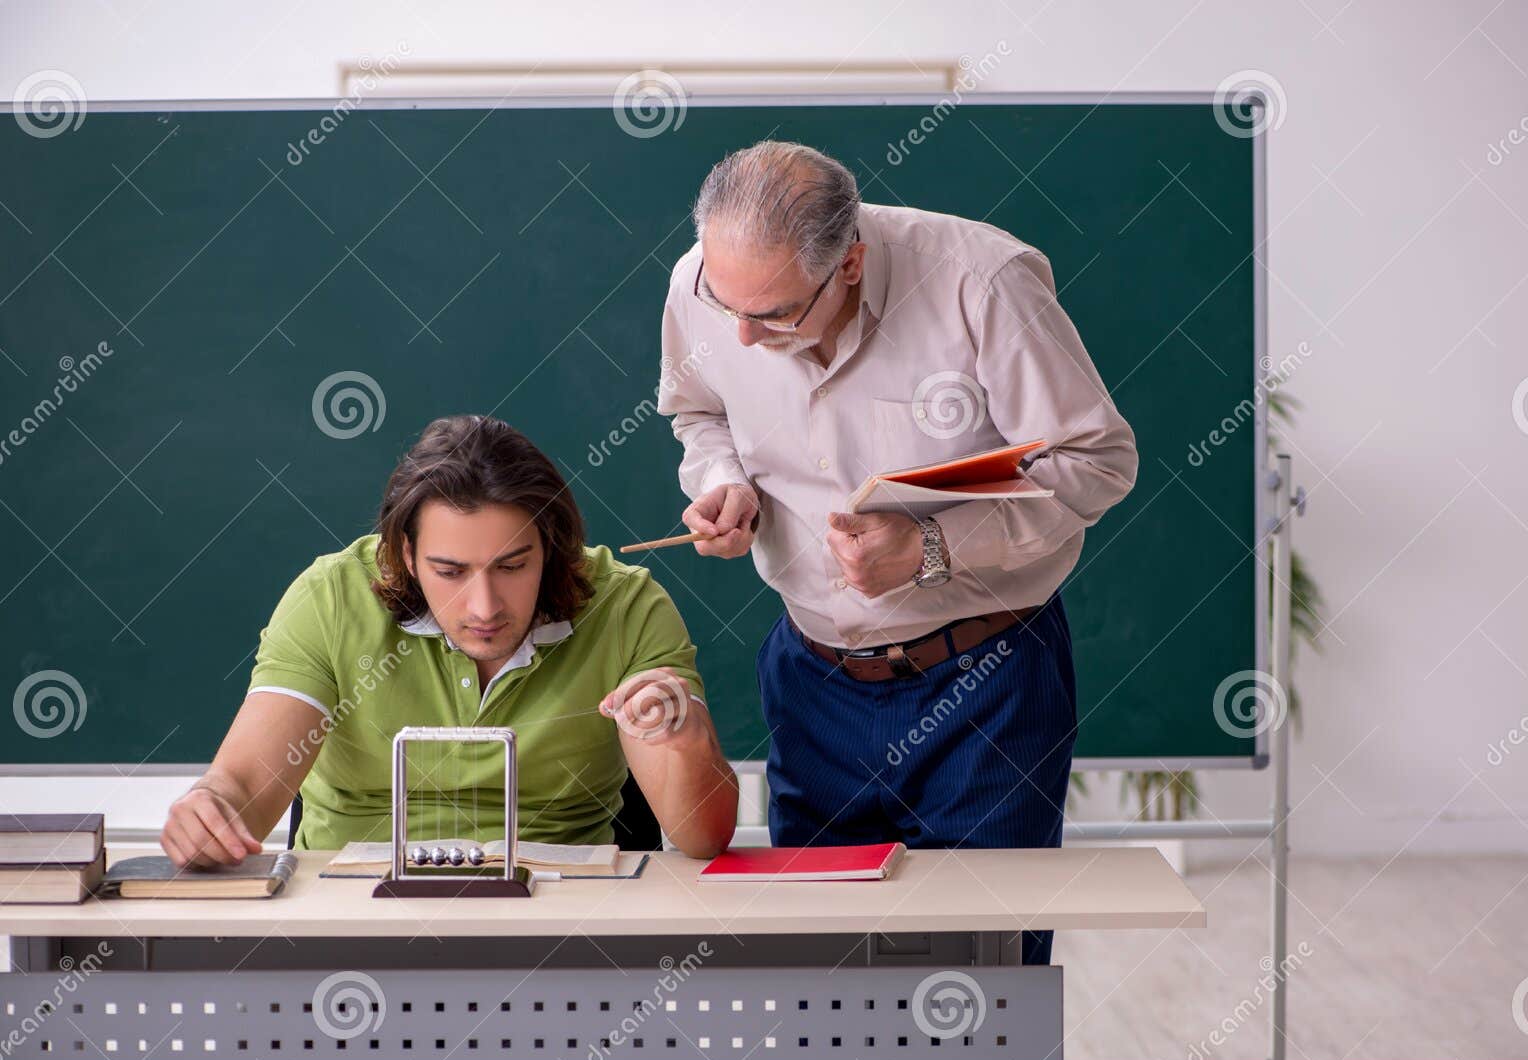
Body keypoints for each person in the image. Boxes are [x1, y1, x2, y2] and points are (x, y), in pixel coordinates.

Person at [657, 142, 1138, 963]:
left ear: (848, 264)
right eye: (723, 304)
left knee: (986, 969)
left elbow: (1095, 461)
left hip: (986, 683)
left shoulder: (981, 281)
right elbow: (697, 411)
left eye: (772, 315)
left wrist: (931, 547)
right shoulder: (706, 281)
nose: (739, 334)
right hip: (812, 681)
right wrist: (724, 480)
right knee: (821, 970)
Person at [160, 415, 737, 867]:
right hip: (350, 912)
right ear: (405, 555)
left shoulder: (626, 606)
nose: (484, 608)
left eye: (512, 566)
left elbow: (704, 840)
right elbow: (242, 788)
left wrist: (683, 736)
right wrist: (210, 807)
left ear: (552, 549)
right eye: (450, 572)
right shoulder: (331, 598)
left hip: (560, 917)